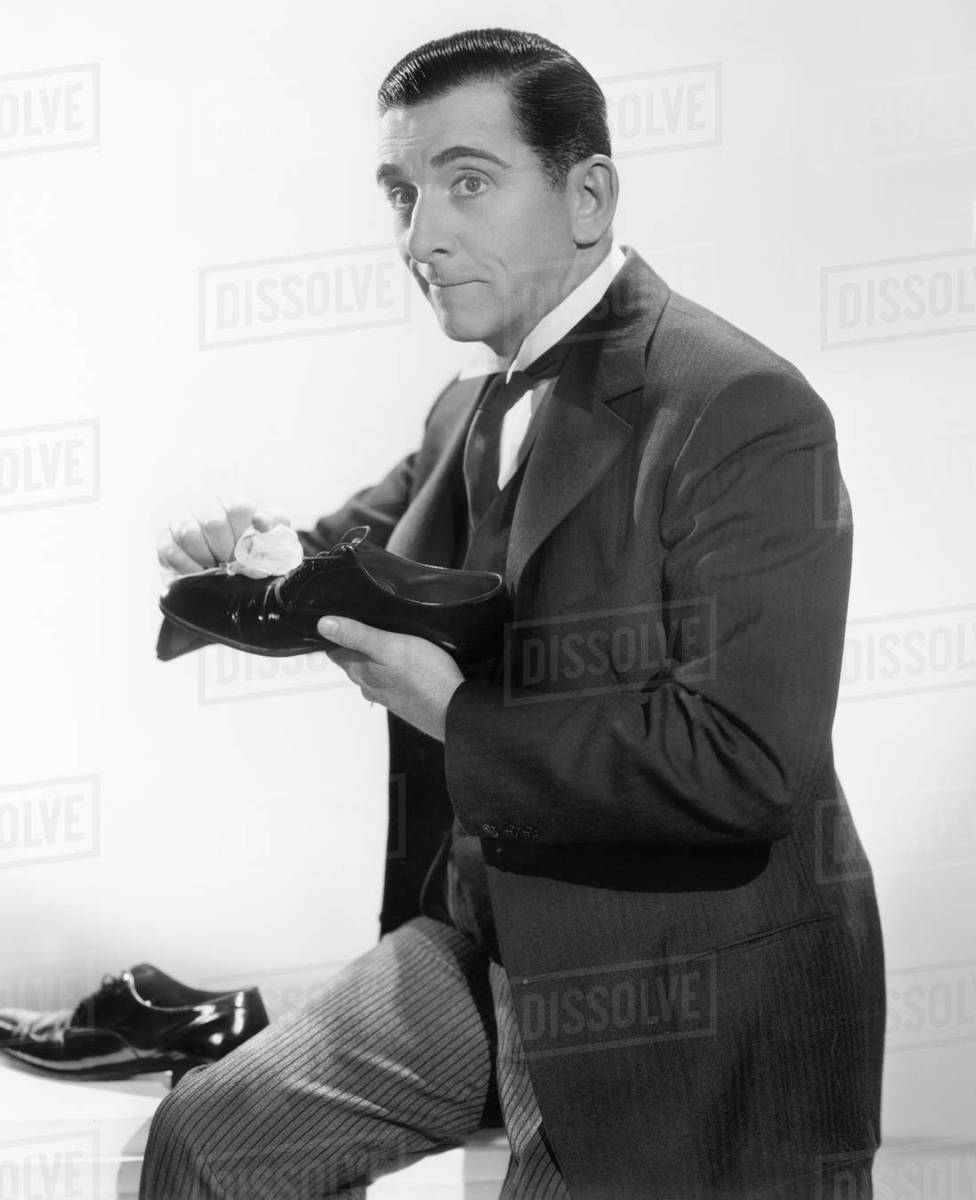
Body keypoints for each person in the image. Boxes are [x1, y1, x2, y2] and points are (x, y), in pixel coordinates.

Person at [146, 27, 885, 1200]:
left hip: (673, 989)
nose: (418, 234)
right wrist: (249, 558)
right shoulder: (466, 404)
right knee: (206, 1136)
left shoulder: (741, 405)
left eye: (467, 182)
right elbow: (353, 563)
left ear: (586, 195)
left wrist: (456, 718)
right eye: (402, 190)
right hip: (483, 937)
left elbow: (746, 764)